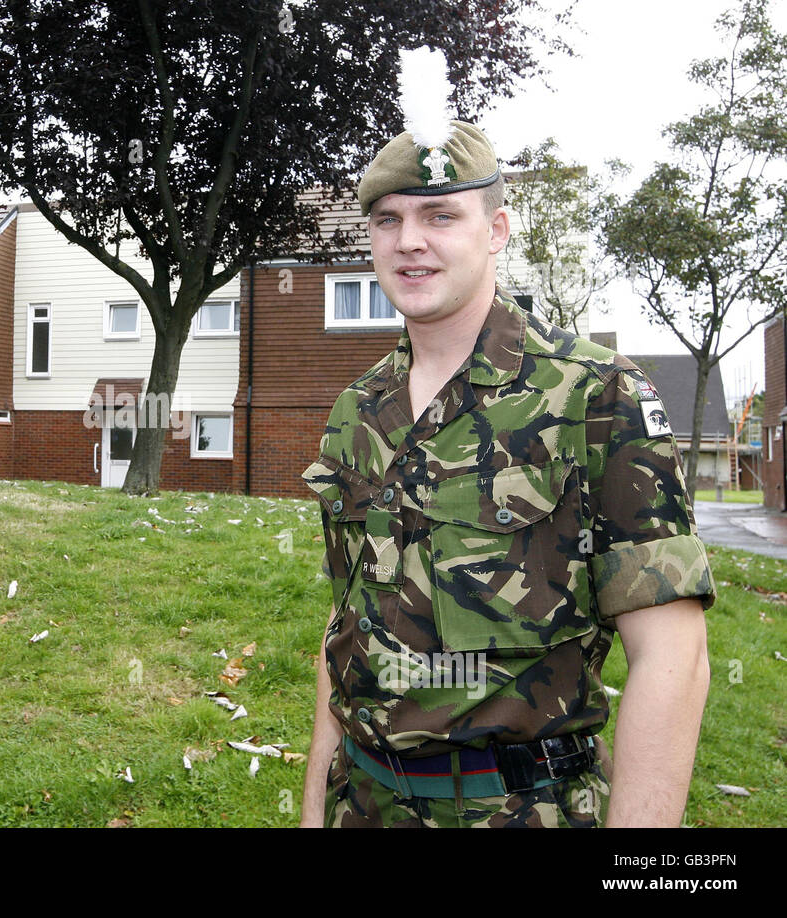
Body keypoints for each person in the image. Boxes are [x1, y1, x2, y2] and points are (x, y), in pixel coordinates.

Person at [298, 66, 714, 828]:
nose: (409, 242)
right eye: (388, 219)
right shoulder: (360, 406)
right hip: (361, 803)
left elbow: (674, 657)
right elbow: (345, 624)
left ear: (496, 230)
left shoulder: (595, 394)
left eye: (440, 217)